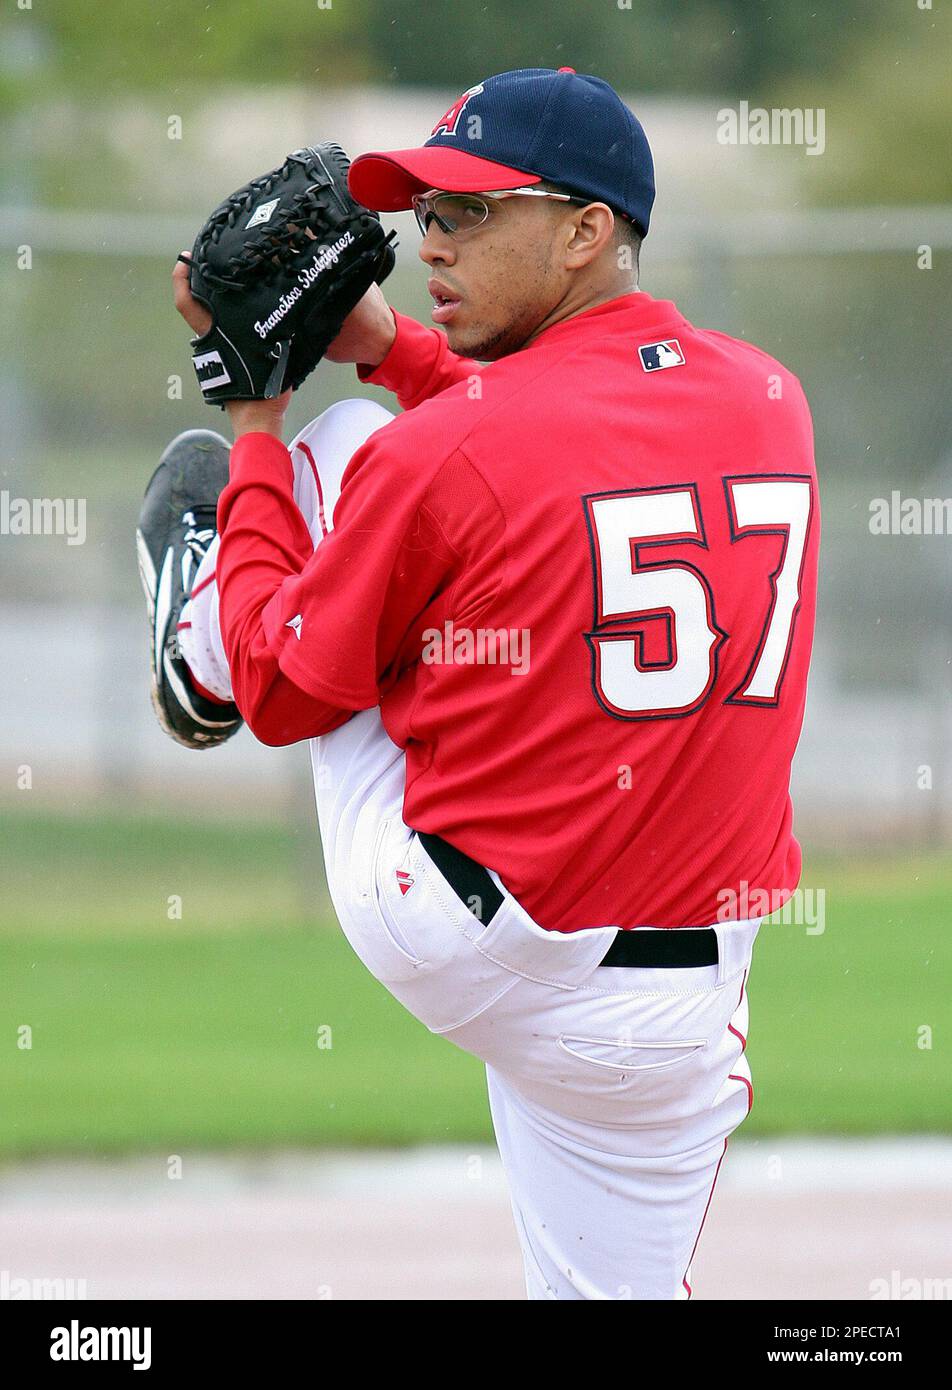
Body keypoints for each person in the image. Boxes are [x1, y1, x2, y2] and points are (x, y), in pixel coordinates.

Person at [136, 66, 819, 1300]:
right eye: (425, 216)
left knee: (333, 454)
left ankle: (197, 646)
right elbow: (557, 438)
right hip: (682, 1008)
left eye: (468, 213)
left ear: (583, 230)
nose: (429, 244)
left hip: (463, 925)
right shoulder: (767, 398)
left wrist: (252, 416)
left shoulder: (438, 451)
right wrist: (390, 344)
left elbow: (290, 702)